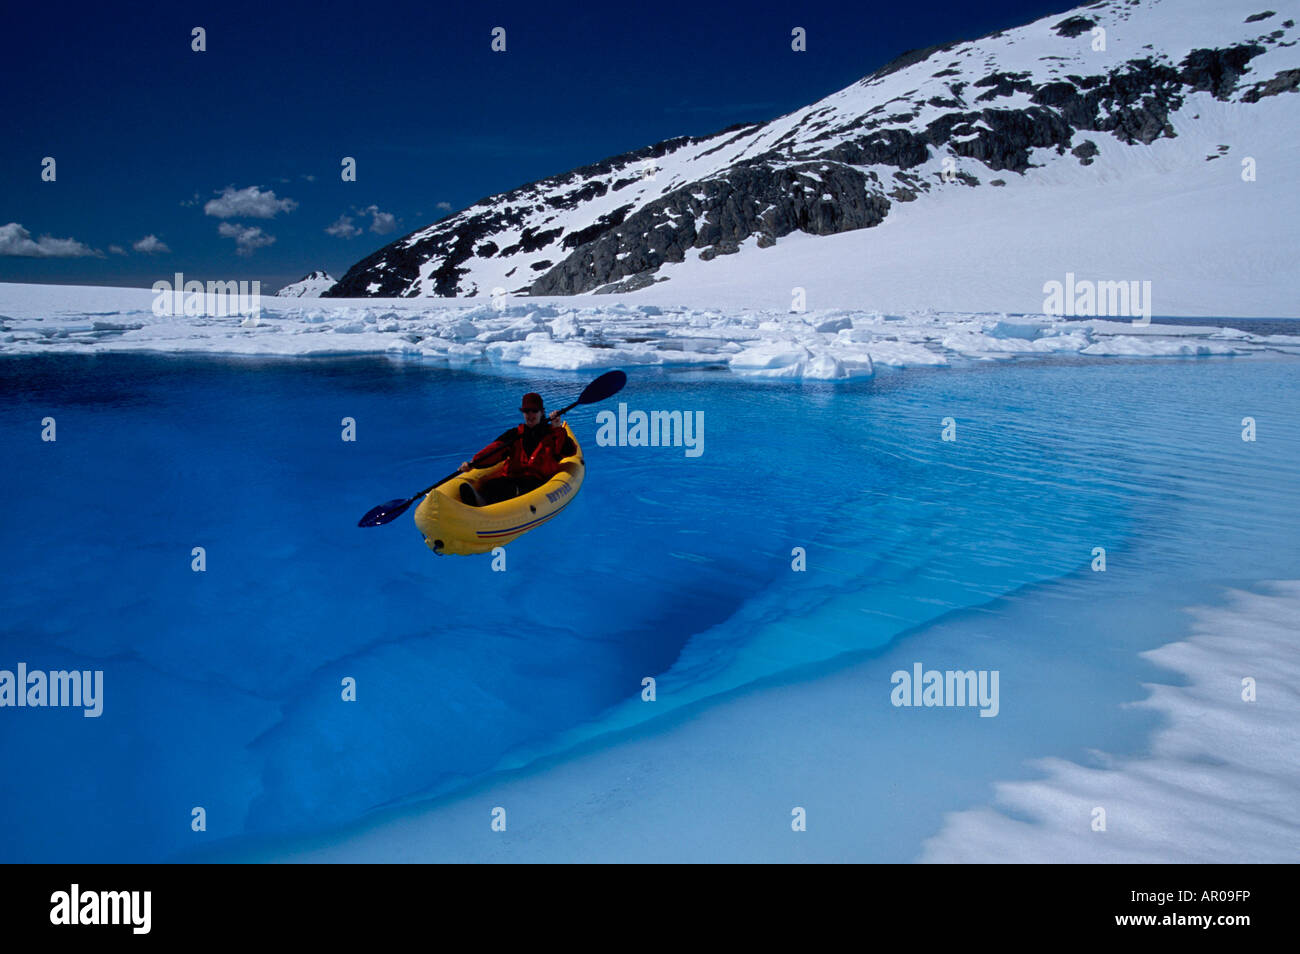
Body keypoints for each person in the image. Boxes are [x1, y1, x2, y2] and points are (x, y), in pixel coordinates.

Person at [457, 392, 577, 506]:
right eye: (526, 411)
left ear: (542, 412)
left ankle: (487, 506)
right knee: (492, 485)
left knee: (515, 489)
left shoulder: (553, 433)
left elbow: (569, 451)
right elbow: (495, 450)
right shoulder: (515, 434)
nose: (530, 415)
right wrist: (474, 463)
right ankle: (480, 504)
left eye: (534, 411)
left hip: (537, 482)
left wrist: (557, 428)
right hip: (512, 477)